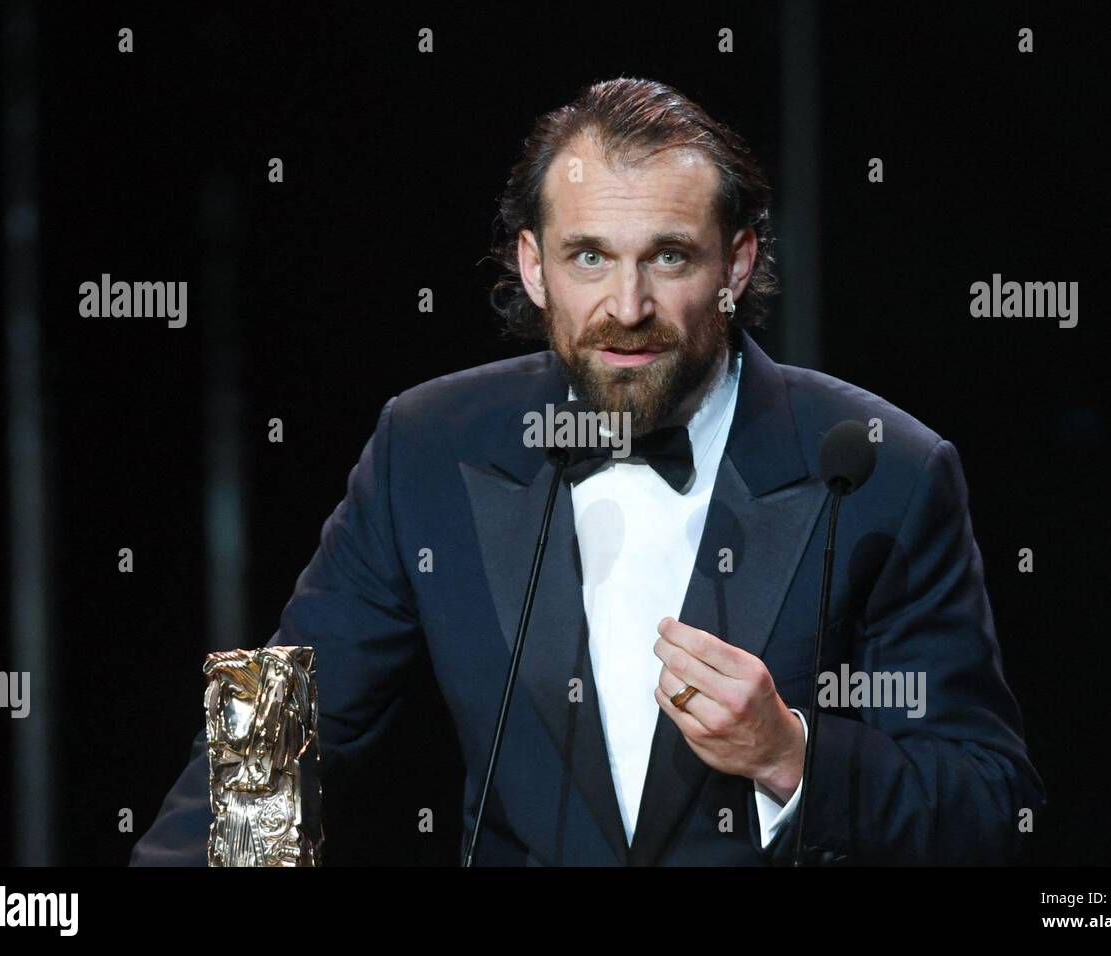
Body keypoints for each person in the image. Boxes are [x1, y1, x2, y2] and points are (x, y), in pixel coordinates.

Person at [131, 77, 1044, 866]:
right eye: (590, 257)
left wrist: (792, 754)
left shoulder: (886, 469)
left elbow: (986, 805)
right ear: (534, 268)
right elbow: (279, 755)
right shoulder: (430, 447)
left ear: (738, 262)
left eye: (671, 257)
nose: (628, 305)